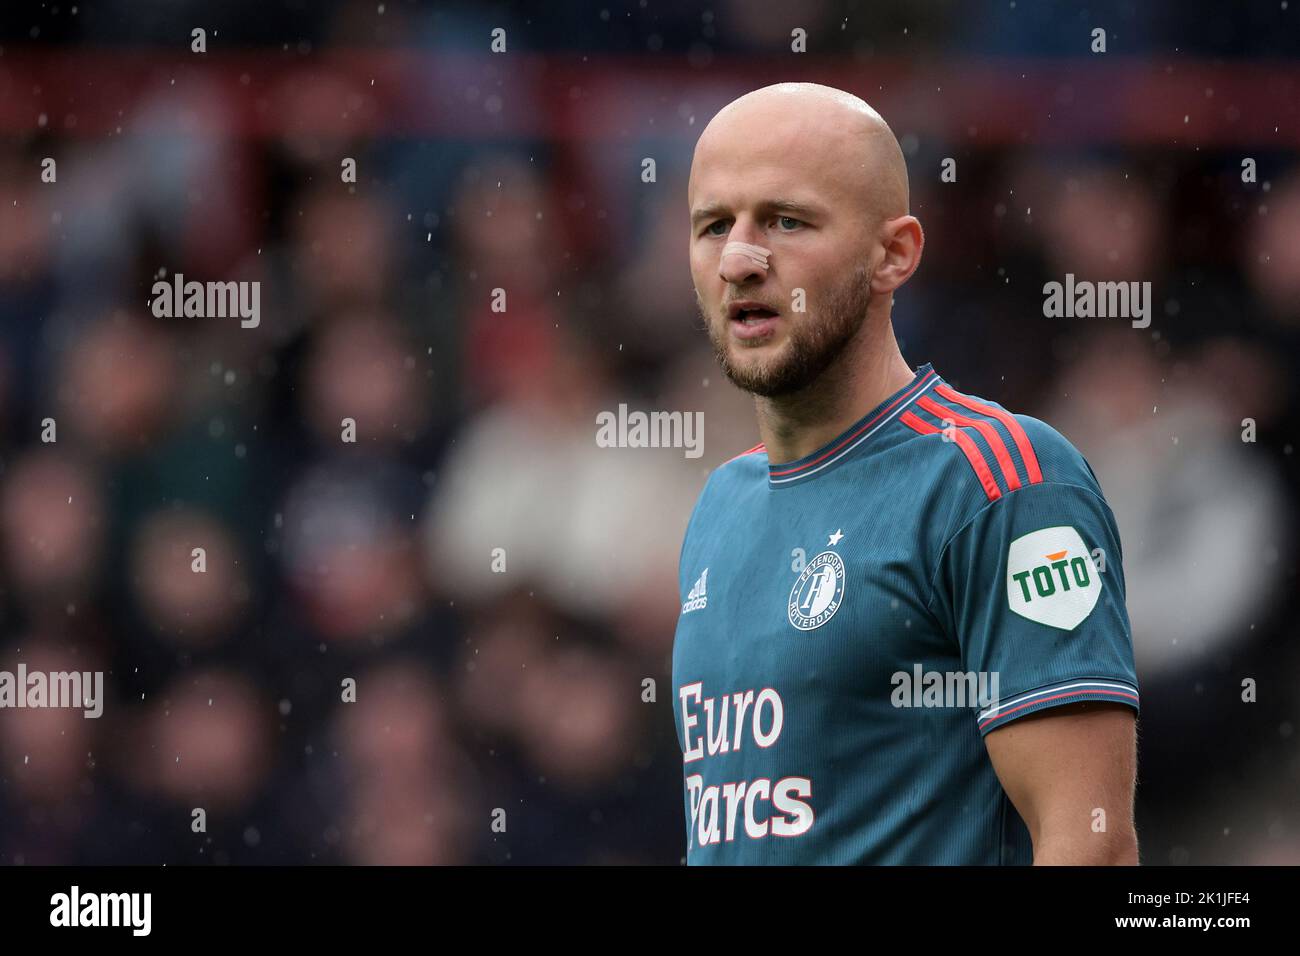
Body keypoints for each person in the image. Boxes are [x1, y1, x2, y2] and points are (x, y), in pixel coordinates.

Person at [673, 83, 1139, 864]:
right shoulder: (719, 508)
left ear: (894, 254)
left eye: (787, 221)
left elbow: (1090, 845)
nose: (741, 258)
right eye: (715, 225)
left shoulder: (1004, 482)